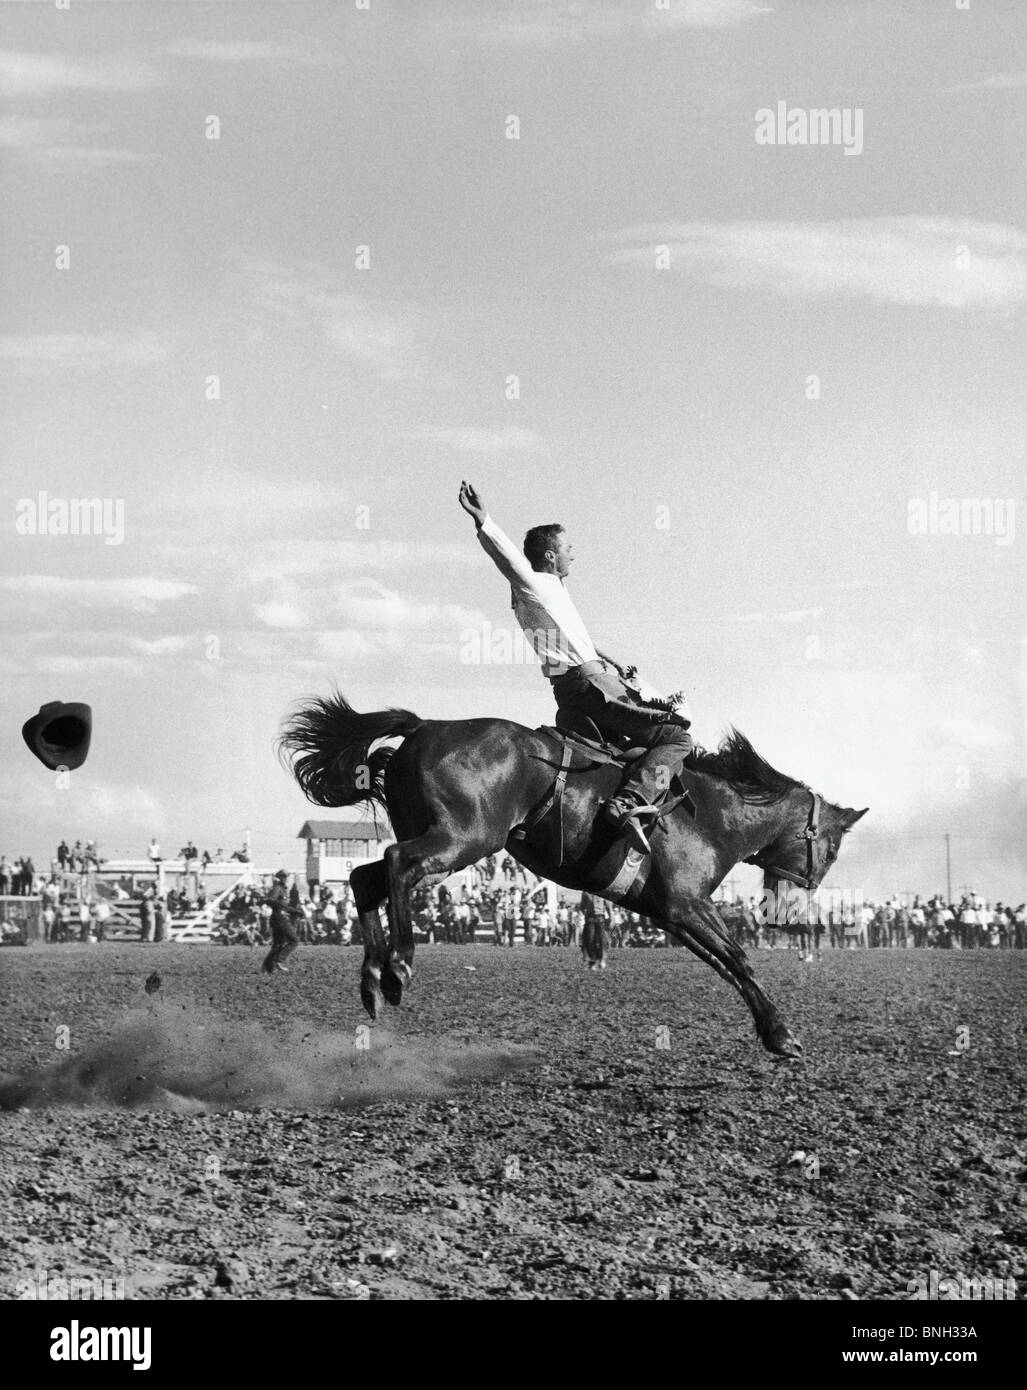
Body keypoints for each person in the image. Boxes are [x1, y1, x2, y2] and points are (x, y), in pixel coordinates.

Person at [459, 480, 694, 855]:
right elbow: (508, 560)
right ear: (551, 556)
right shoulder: (538, 585)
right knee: (678, 738)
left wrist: (614, 665)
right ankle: (628, 803)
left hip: (575, 690)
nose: (574, 554)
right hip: (591, 688)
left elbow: (570, 641)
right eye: (568, 548)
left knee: (630, 752)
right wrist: (484, 521)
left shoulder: (546, 597)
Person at [262, 870, 303, 974]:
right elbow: (270, 900)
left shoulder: (283, 889)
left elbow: (282, 905)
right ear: (279, 878)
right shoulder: (277, 888)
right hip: (279, 918)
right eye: (283, 877)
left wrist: (295, 911)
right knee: (294, 940)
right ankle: (278, 960)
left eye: (286, 877)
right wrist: (286, 908)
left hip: (278, 917)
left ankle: (267, 968)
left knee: (278, 944)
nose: (285, 879)